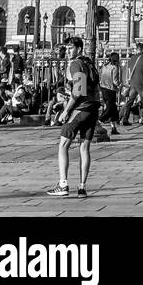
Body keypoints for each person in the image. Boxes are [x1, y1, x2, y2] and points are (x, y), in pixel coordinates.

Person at [47, 36, 99, 198]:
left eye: (71, 48)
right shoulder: (89, 62)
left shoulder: (75, 63)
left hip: (80, 108)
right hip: (93, 108)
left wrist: (66, 111)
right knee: (84, 148)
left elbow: (79, 89)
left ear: (78, 48)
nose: (68, 51)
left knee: (63, 145)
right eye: (67, 48)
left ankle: (63, 184)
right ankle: (82, 188)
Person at [121, 44, 143, 125]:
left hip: (133, 82)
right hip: (141, 82)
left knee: (130, 101)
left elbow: (129, 70)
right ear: (142, 50)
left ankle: (125, 118)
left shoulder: (132, 58)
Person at [98, 51, 121, 135]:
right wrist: (121, 85)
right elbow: (115, 81)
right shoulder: (114, 68)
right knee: (110, 107)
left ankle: (113, 127)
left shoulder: (104, 66)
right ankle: (100, 120)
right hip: (110, 89)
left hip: (103, 88)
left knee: (113, 109)